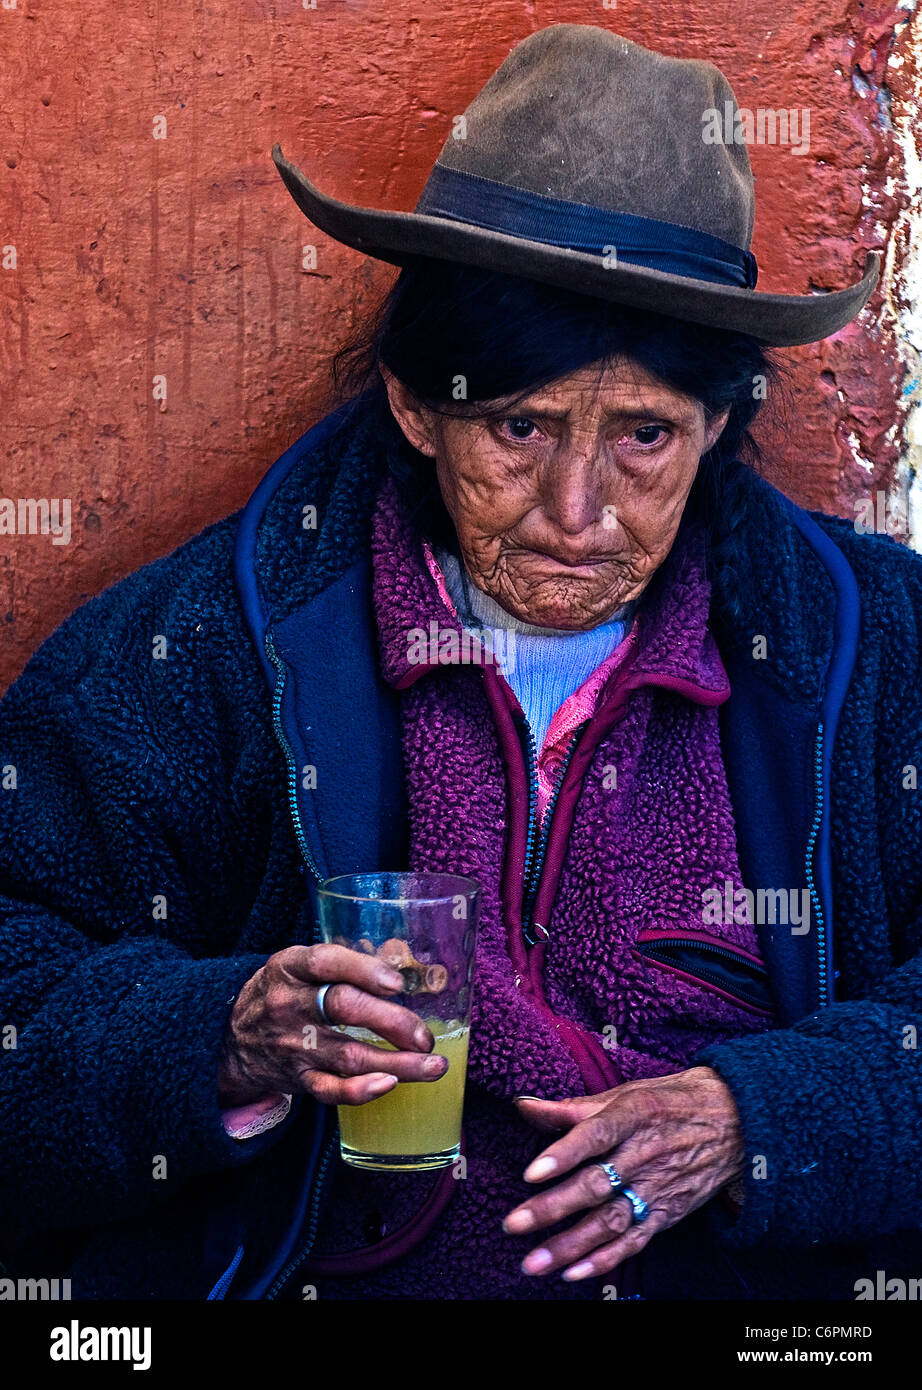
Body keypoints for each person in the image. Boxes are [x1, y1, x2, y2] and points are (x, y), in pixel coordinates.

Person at [2, 24, 920, 1301]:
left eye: (645, 434)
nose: (576, 511)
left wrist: (767, 1115)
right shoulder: (213, 640)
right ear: (416, 405)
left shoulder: (867, 648)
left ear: (717, 426)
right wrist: (215, 1038)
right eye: (520, 425)